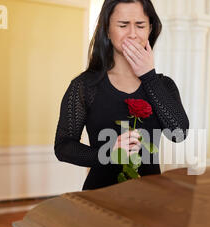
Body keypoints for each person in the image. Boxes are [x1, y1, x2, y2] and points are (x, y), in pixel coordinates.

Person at [54, 0, 190, 190]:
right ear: (107, 30)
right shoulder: (84, 86)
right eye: (123, 25)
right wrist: (107, 153)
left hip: (152, 199)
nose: (133, 33)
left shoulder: (163, 85)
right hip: (100, 197)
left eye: (140, 25)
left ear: (150, 29)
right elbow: (63, 147)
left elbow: (179, 133)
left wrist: (149, 77)